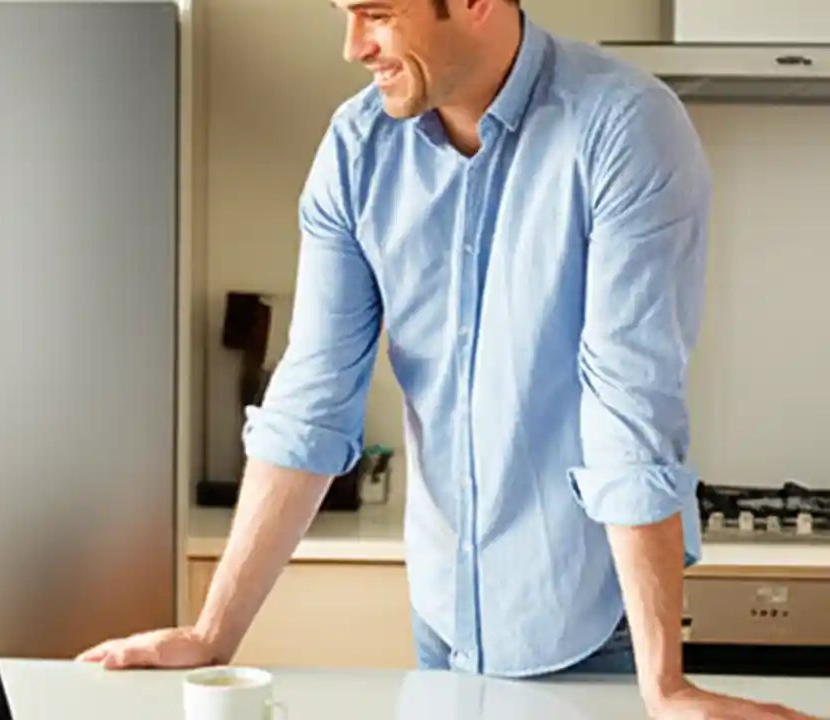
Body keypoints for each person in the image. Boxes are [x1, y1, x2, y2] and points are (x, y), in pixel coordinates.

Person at [79, 2, 815, 718]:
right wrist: (213, 635)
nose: (353, 47)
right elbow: (310, 397)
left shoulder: (623, 126)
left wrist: (666, 689)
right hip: (444, 612)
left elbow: (628, 401)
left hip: (593, 622)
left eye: (377, 14)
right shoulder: (358, 147)